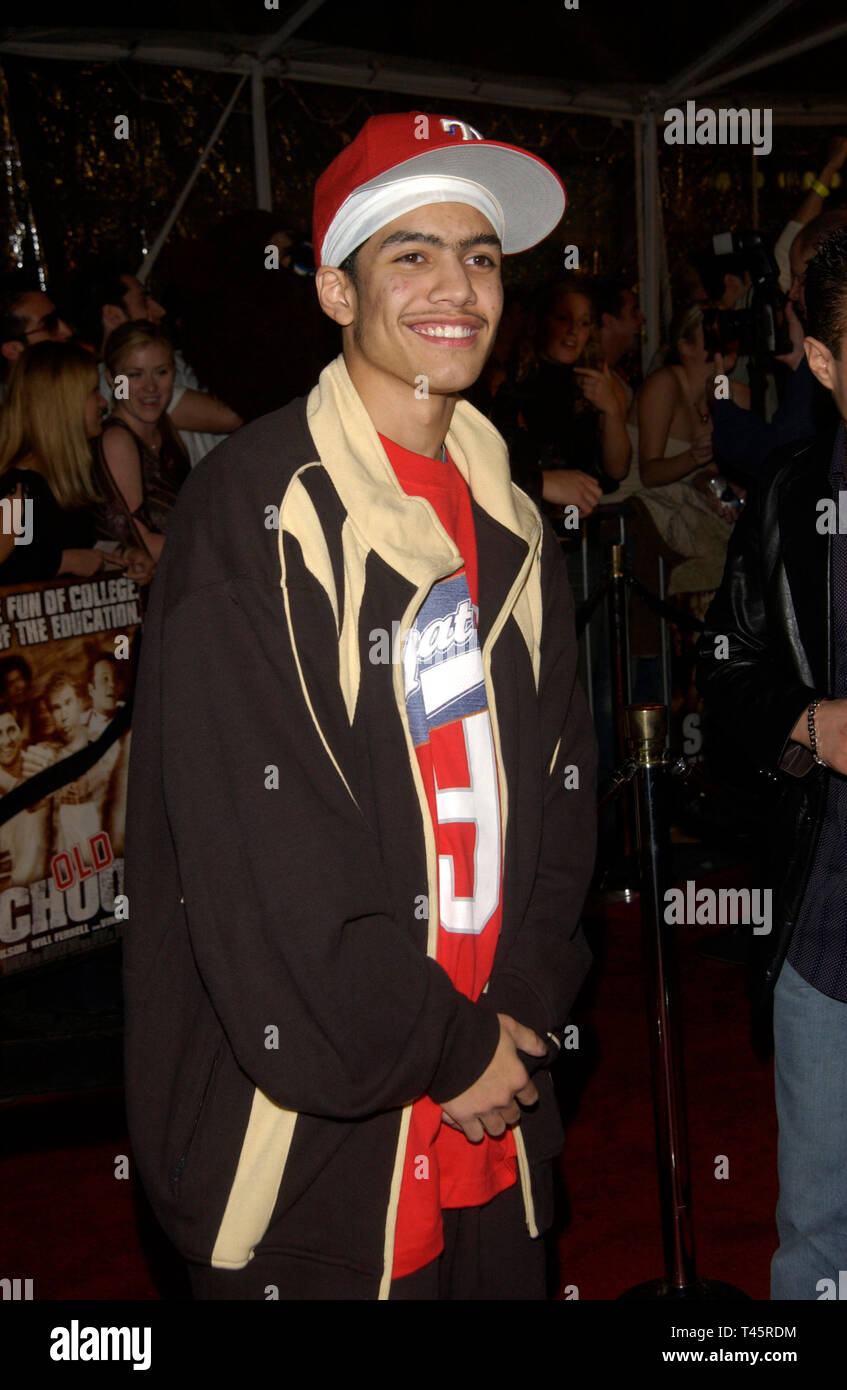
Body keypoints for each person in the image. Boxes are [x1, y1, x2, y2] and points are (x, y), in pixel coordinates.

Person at [123, 109, 596, 1302]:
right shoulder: (254, 513)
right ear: (335, 291)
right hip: (318, 1156)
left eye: (480, 255)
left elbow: (560, 798)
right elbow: (270, 863)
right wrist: (446, 1046)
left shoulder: (514, 521)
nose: (458, 288)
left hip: (494, 1108)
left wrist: (515, 1021)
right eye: (412, 255)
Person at [698, 226, 847, 1300]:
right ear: (826, 362)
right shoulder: (790, 499)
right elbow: (725, 671)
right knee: (817, 1237)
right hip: (827, 921)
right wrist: (808, 721)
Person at [0, 342, 154, 586]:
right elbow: (8, 560)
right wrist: (62, 562)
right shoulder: (18, 489)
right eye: (93, 392)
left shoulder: (62, 478)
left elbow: (74, 546)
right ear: (63, 404)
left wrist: (123, 557)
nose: (103, 403)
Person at [68, 256, 243, 466]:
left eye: (161, 372)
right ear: (113, 315)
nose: (160, 310)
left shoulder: (176, 356)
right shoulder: (112, 384)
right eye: (144, 301)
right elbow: (231, 416)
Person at [491, 275, 631, 521]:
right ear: (541, 322)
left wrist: (611, 410)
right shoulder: (508, 381)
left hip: (586, 522)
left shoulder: (601, 383)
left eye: (584, 323)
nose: (573, 331)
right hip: (525, 517)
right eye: (563, 319)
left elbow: (618, 470)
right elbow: (492, 466)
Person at [98, 322, 191, 564]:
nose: (150, 387)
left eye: (161, 372)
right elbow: (139, 542)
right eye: (135, 375)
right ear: (112, 380)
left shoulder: (165, 429)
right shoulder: (117, 440)